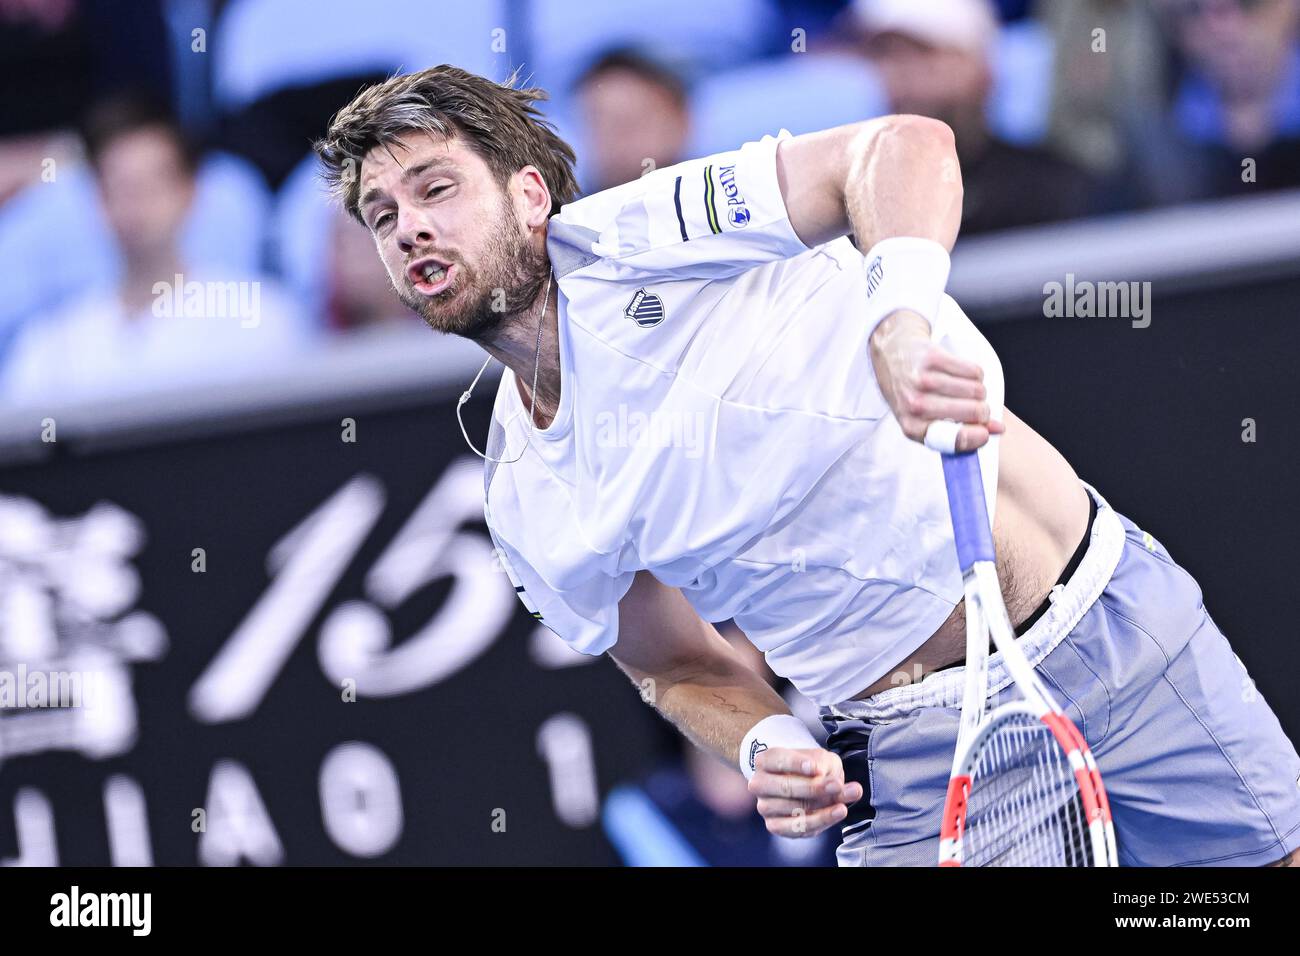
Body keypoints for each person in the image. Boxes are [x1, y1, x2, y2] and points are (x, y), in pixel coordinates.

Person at [314, 64, 1300, 867]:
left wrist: (901, 312)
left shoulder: (644, 235)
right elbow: (669, 663)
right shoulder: (525, 496)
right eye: (382, 213)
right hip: (915, 757)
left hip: (1119, 632)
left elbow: (902, 145)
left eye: (435, 187)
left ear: (529, 195)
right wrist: (761, 740)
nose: (409, 229)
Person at [1, 96, 304, 406]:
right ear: (99, 199)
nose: (136, 206)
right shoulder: (49, 349)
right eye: (120, 187)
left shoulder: (259, 319)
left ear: (189, 191)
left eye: (152, 184)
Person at [849, 0, 1099, 233]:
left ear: (982, 67)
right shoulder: (858, 205)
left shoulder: (1058, 188)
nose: (902, 74)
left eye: (924, 53)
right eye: (886, 54)